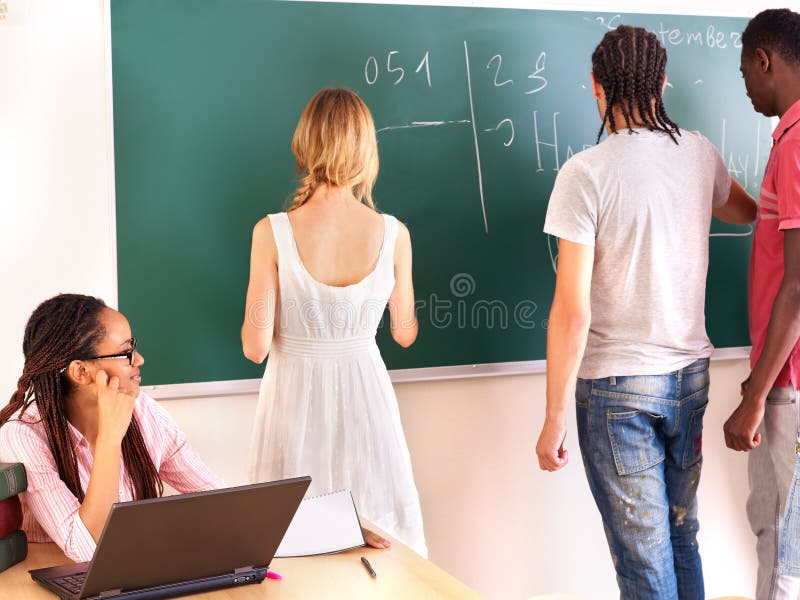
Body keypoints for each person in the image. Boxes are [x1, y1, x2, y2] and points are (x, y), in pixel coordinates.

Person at [535, 25, 757, 599]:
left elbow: (571, 312)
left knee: (643, 561)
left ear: (595, 87)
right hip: (688, 381)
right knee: (681, 537)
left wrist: (553, 417)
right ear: (662, 83)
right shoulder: (700, 153)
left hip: (616, 390)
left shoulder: (585, 174)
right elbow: (747, 211)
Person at [241, 88, 426, 556]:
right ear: (366, 150)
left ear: (306, 144)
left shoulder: (272, 233)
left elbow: (255, 346)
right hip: (366, 397)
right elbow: (404, 333)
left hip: (293, 397)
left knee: (290, 543)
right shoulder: (394, 233)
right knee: (380, 546)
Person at [0, 294, 225, 562]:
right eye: (126, 352)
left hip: (129, 568)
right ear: (81, 372)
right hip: (49, 579)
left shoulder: (143, 411)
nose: (138, 359)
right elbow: (87, 549)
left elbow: (220, 502)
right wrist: (110, 437)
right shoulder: (24, 435)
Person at [723, 9, 800, 599]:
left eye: (745, 70)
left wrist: (753, 398)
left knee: (783, 551)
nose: (745, 85)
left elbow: (797, 288)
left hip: (788, 383)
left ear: (764, 59)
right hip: (786, 377)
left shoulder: (797, 146)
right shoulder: (788, 143)